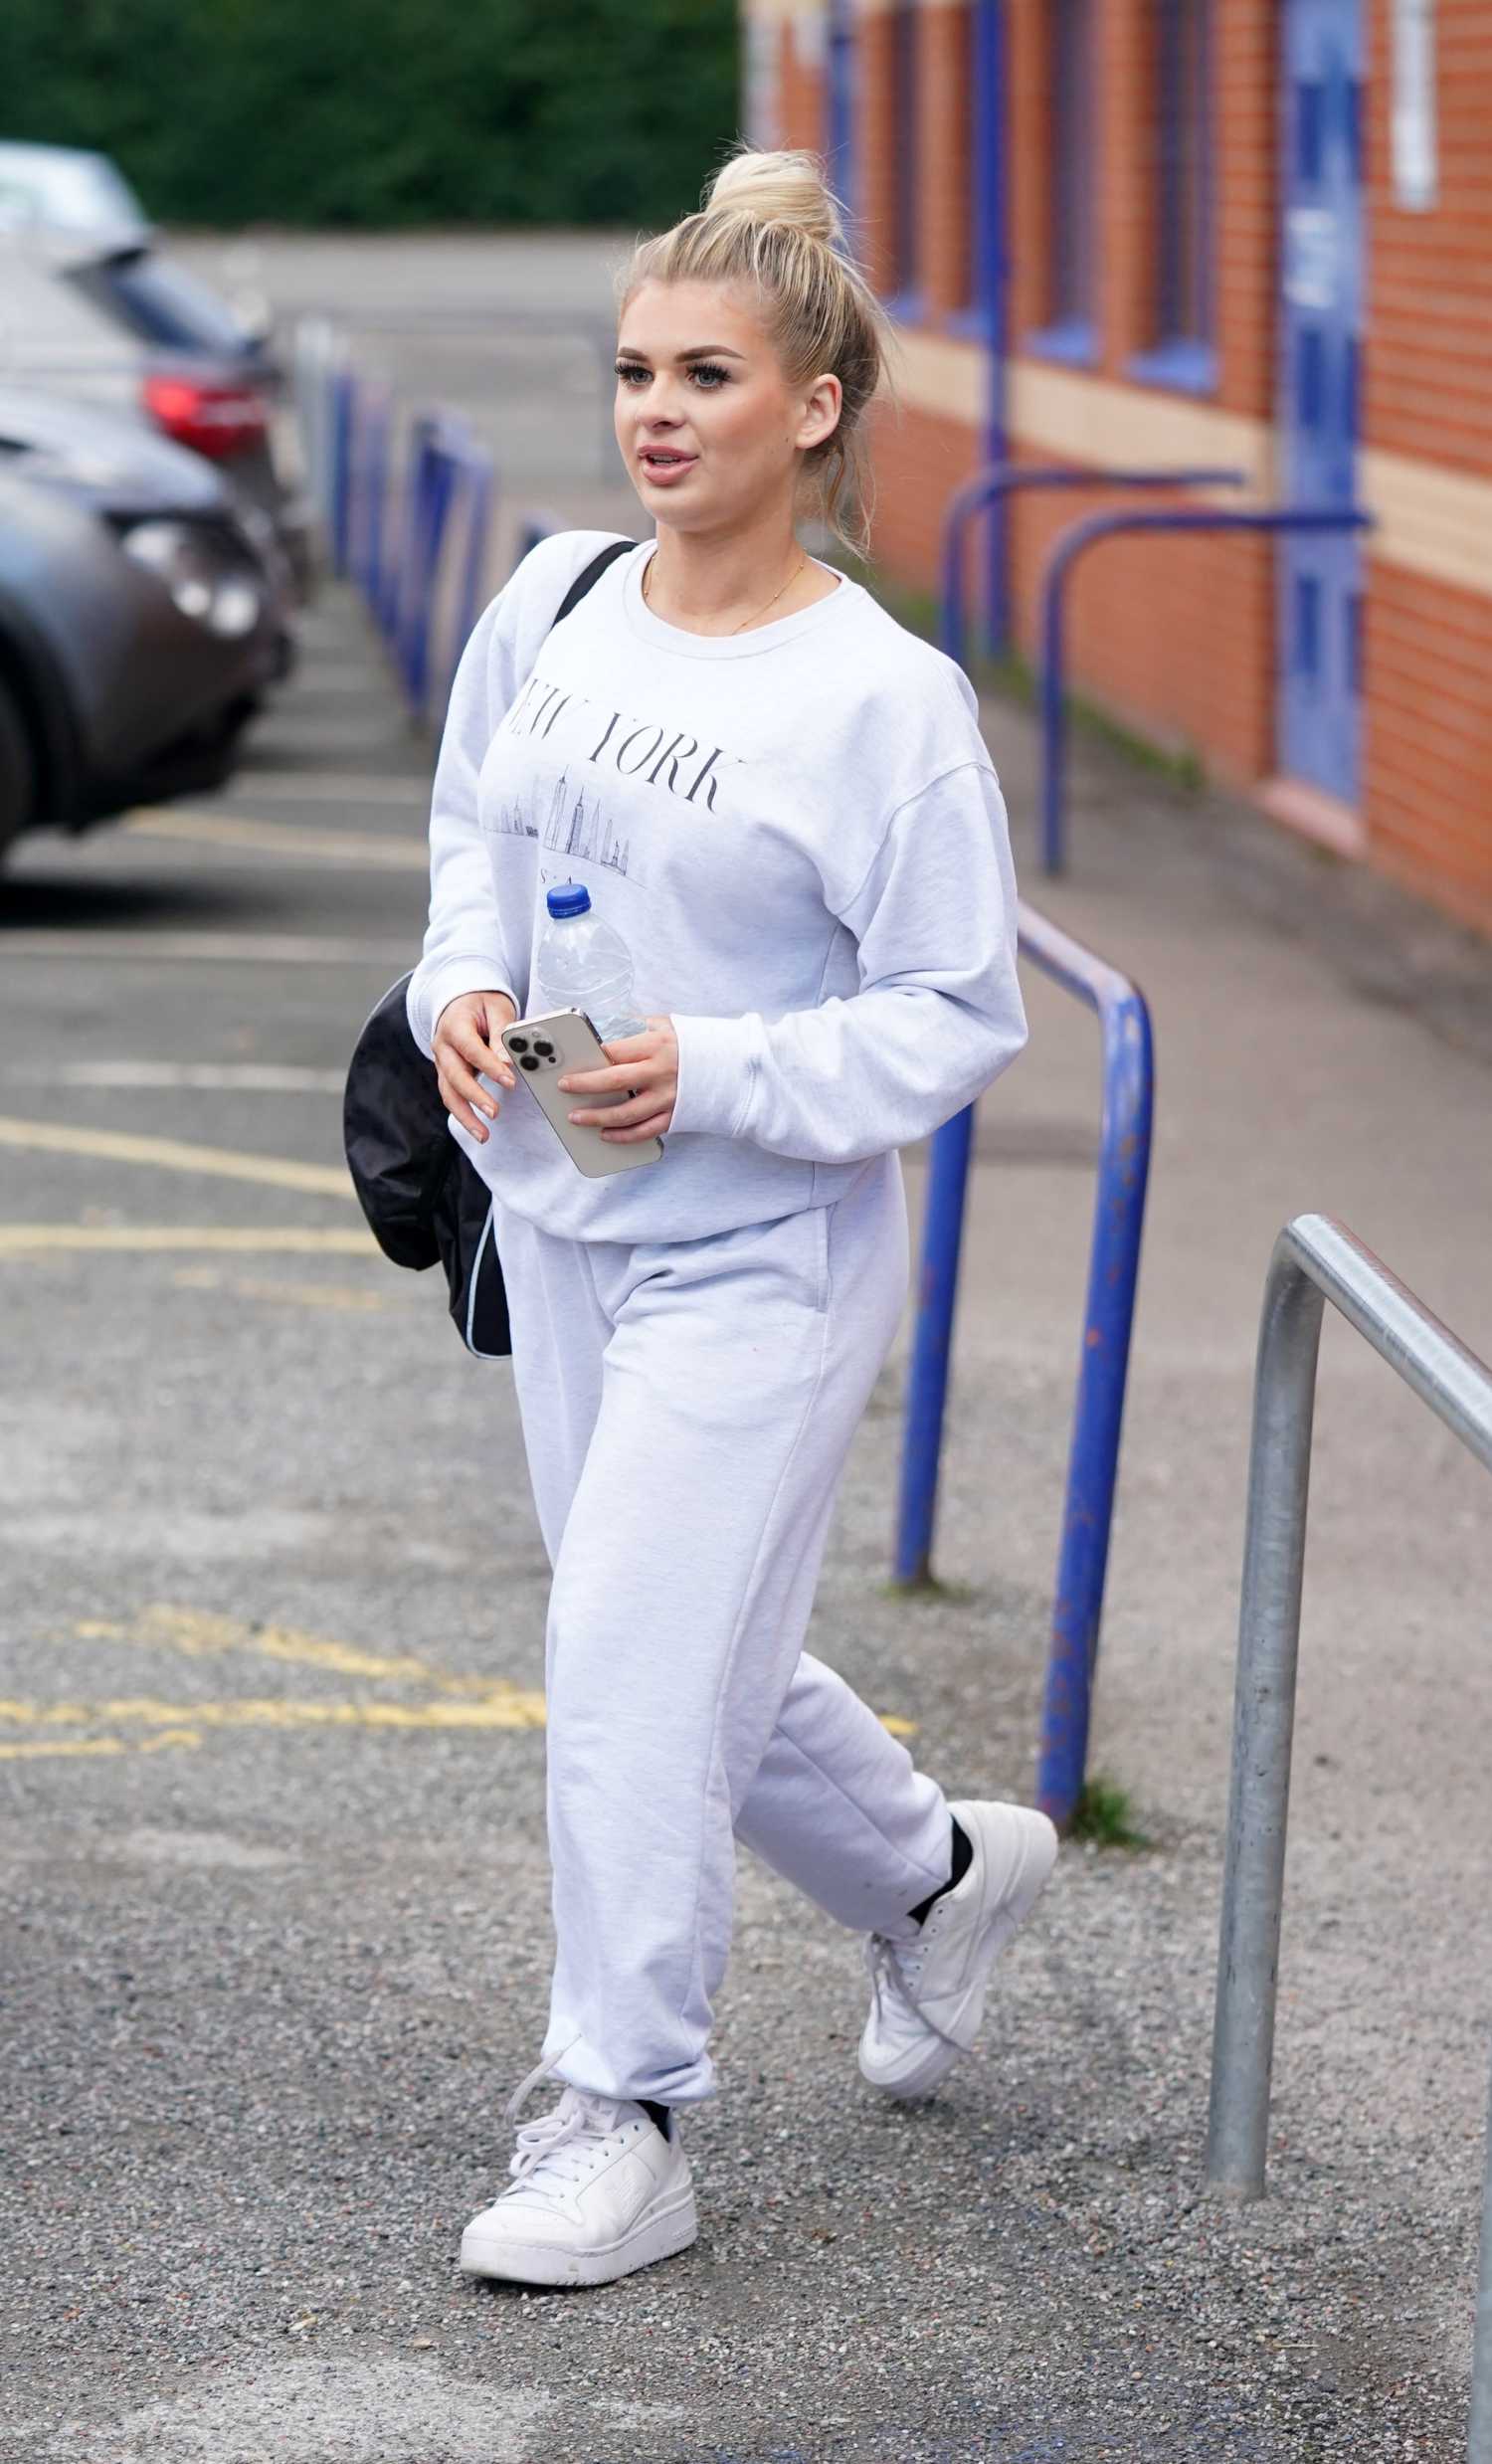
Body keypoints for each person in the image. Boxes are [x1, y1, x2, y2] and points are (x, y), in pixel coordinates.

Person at [406, 141, 1057, 2292]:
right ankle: (943, 1878)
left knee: (625, 1654)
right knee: (700, 1649)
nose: (657, 411)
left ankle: (627, 2112)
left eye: (705, 373)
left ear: (816, 406)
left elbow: (960, 1010)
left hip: (758, 1258)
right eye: (631, 373)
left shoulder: (880, 702)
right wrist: (463, 989)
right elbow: (474, 830)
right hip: (563, 1218)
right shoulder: (559, 597)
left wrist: (729, 1067)